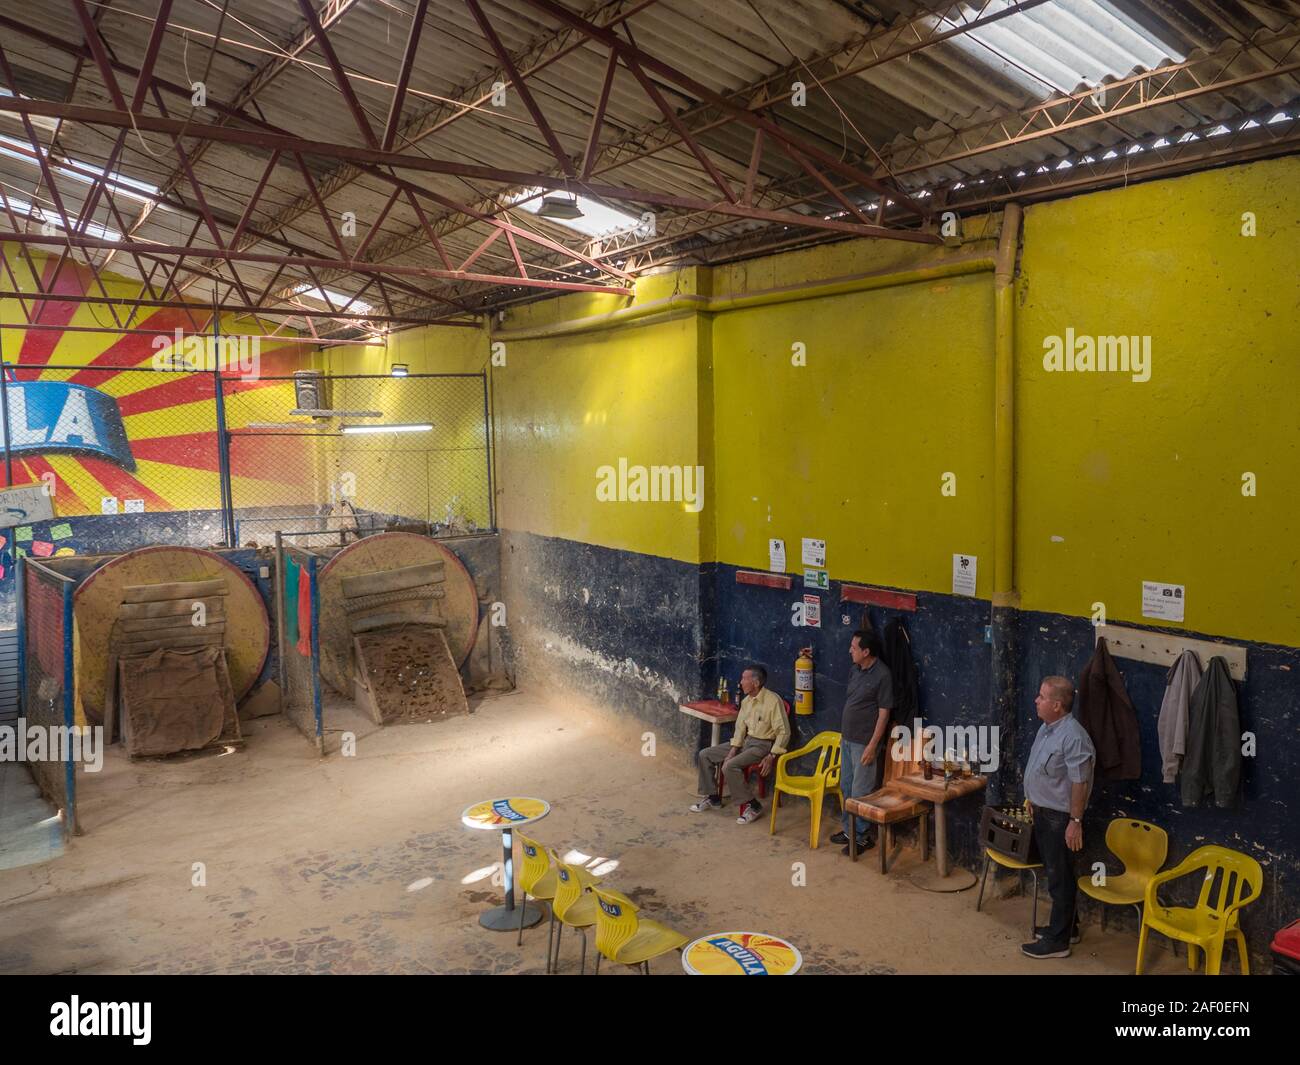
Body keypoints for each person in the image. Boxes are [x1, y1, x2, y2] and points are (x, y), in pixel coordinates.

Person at [1021, 675, 1096, 959]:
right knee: (1057, 873)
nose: (1036, 701)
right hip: (1042, 811)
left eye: (1041, 697)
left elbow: (1080, 782)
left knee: (1060, 878)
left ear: (1057, 704)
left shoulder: (1074, 737)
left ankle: (1058, 941)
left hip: (1060, 818)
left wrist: (1074, 822)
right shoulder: (1048, 728)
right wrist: (1032, 798)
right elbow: (1041, 769)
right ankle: (1069, 928)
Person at [690, 665, 790, 824]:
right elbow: (740, 729)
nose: (741, 682)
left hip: (763, 745)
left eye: (744, 678)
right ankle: (713, 797)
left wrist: (772, 756)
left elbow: (784, 732)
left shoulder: (773, 701)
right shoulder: (746, 701)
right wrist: (732, 751)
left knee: (729, 766)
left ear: (756, 683)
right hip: (745, 742)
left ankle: (753, 805)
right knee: (705, 754)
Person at [831, 631, 893, 855]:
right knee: (846, 786)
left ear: (866, 652)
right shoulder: (855, 670)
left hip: (864, 744)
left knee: (860, 791)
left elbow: (884, 714)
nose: (850, 651)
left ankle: (863, 836)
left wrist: (872, 745)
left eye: (854, 648)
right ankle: (850, 831)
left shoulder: (883, 675)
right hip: (847, 739)